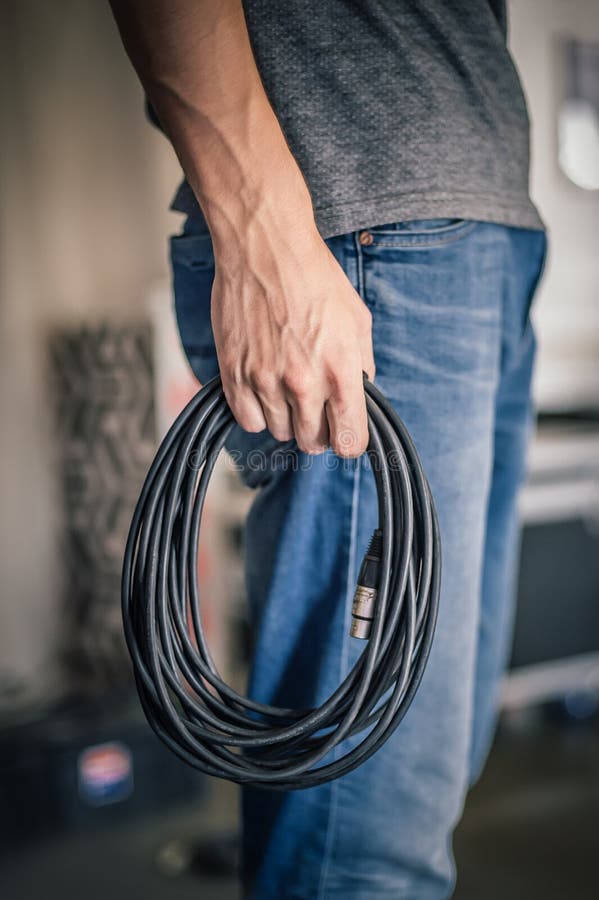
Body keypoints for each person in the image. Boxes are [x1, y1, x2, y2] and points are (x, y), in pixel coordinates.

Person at [109, 1, 547, 897]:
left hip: (474, 234)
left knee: (419, 774)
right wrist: (263, 236)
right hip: (356, 238)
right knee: (365, 839)